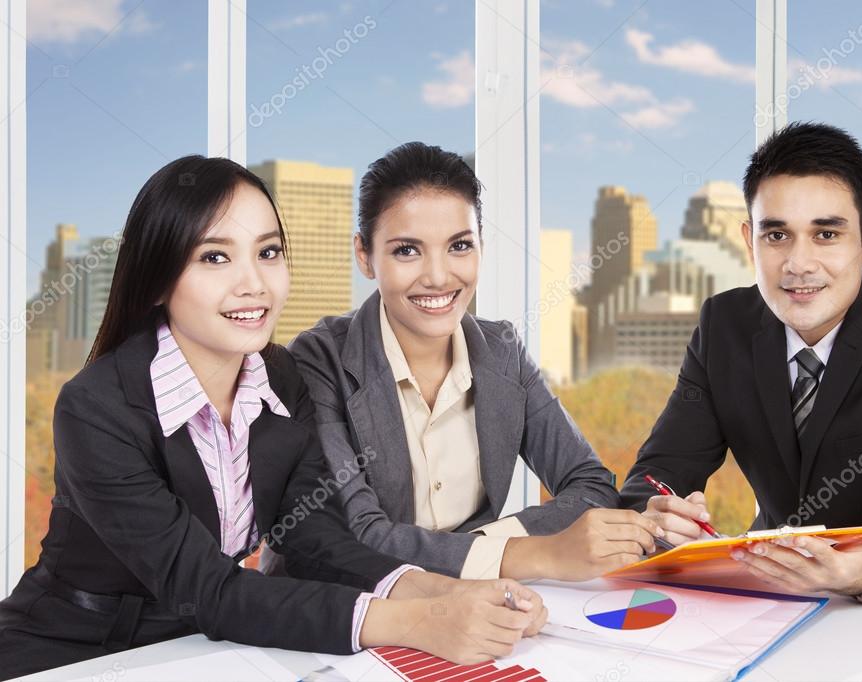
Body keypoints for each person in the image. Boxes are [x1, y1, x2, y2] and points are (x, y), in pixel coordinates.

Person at [0, 155, 545, 680]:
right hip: (69, 647)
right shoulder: (96, 408)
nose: (253, 284)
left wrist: (448, 592)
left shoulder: (281, 379)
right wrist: (422, 622)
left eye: (268, 253)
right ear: (160, 278)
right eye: (215, 257)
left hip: (203, 644)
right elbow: (207, 588)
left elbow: (317, 538)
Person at [622, 122, 862, 680]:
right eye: (776, 235)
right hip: (783, 598)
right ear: (747, 239)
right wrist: (658, 515)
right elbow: (657, 473)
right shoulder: (723, 324)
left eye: (826, 234)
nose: (798, 264)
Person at [260, 142, 664, 583]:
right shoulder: (319, 360)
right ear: (365, 256)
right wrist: (535, 554)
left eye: (459, 246)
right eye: (407, 251)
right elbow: (356, 535)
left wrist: (489, 550)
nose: (438, 275)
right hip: (336, 611)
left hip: (463, 603)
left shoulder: (502, 351)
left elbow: (591, 485)